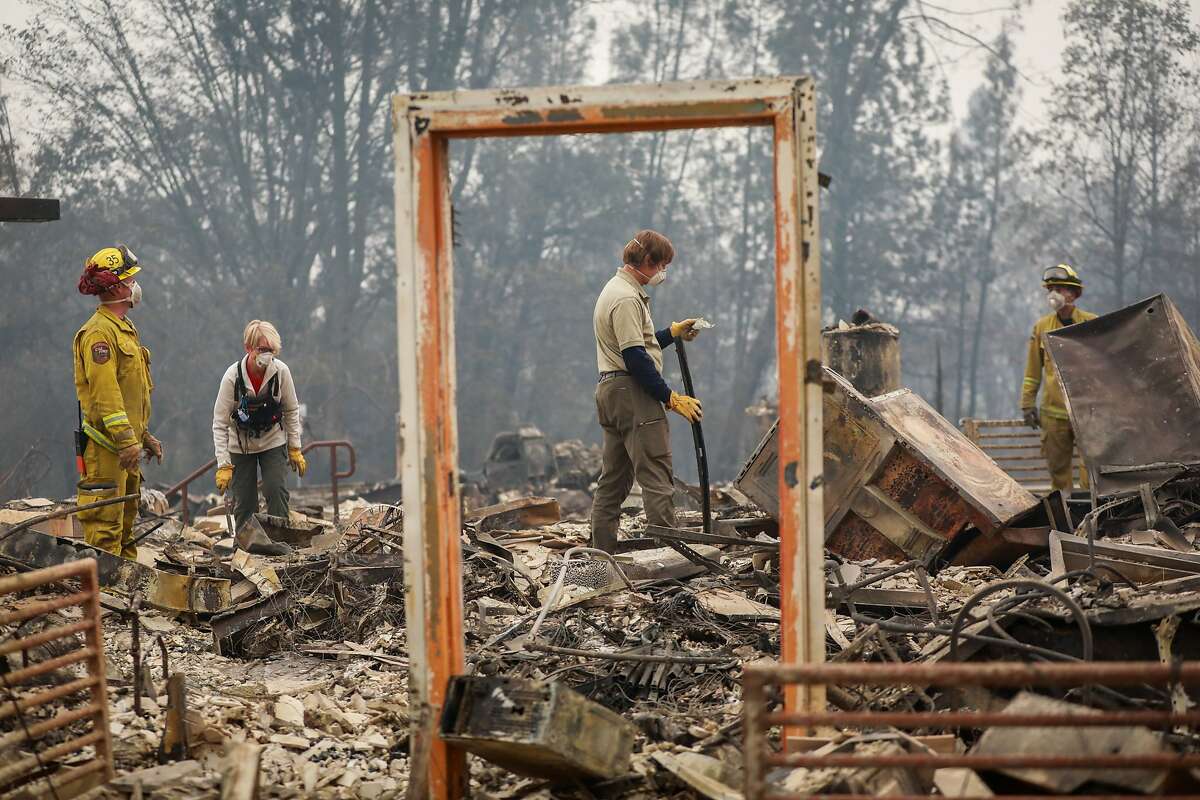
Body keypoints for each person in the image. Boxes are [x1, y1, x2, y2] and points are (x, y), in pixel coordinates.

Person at [589, 229, 705, 552]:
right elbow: (636, 359)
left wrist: (671, 333)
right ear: (648, 261)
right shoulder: (626, 299)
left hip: (610, 391)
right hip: (632, 393)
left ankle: (602, 556)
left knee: (613, 480)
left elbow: (638, 342)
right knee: (655, 472)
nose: (662, 273)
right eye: (662, 265)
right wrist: (670, 397)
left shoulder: (614, 290)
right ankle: (669, 556)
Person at [73, 244, 161, 559]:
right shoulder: (98, 334)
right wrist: (126, 440)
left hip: (127, 448)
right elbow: (105, 392)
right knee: (105, 534)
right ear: (117, 287)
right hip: (107, 451)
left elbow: (132, 392)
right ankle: (104, 603)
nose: (135, 286)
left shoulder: (124, 330)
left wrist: (143, 435)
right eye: (131, 279)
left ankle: (126, 602)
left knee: (125, 531)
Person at [212, 320, 305, 554]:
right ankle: (246, 548)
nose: (265, 355)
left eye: (270, 350)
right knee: (245, 500)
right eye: (261, 349)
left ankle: (281, 543)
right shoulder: (232, 377)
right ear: (248, 348)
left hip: (273, 439)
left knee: (276, 489)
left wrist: (295, 447)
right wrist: (224, 464)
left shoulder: (281, 372)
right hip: (240, 444)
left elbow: (292, 410)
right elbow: (220, 422)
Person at [1020, 264, 1097, 492]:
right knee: (1058, 475)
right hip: (1053, 414)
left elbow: (1103, 368)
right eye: (1050, 289)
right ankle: (1065, 523)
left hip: (1087, 412)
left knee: (1091, 473)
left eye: (1060, 288)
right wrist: (1027, 405)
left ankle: (1093, 521)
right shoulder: (1042, 327)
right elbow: (1032, 371)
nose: (1053, 294)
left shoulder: (1092, 323)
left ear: (1073, 294)